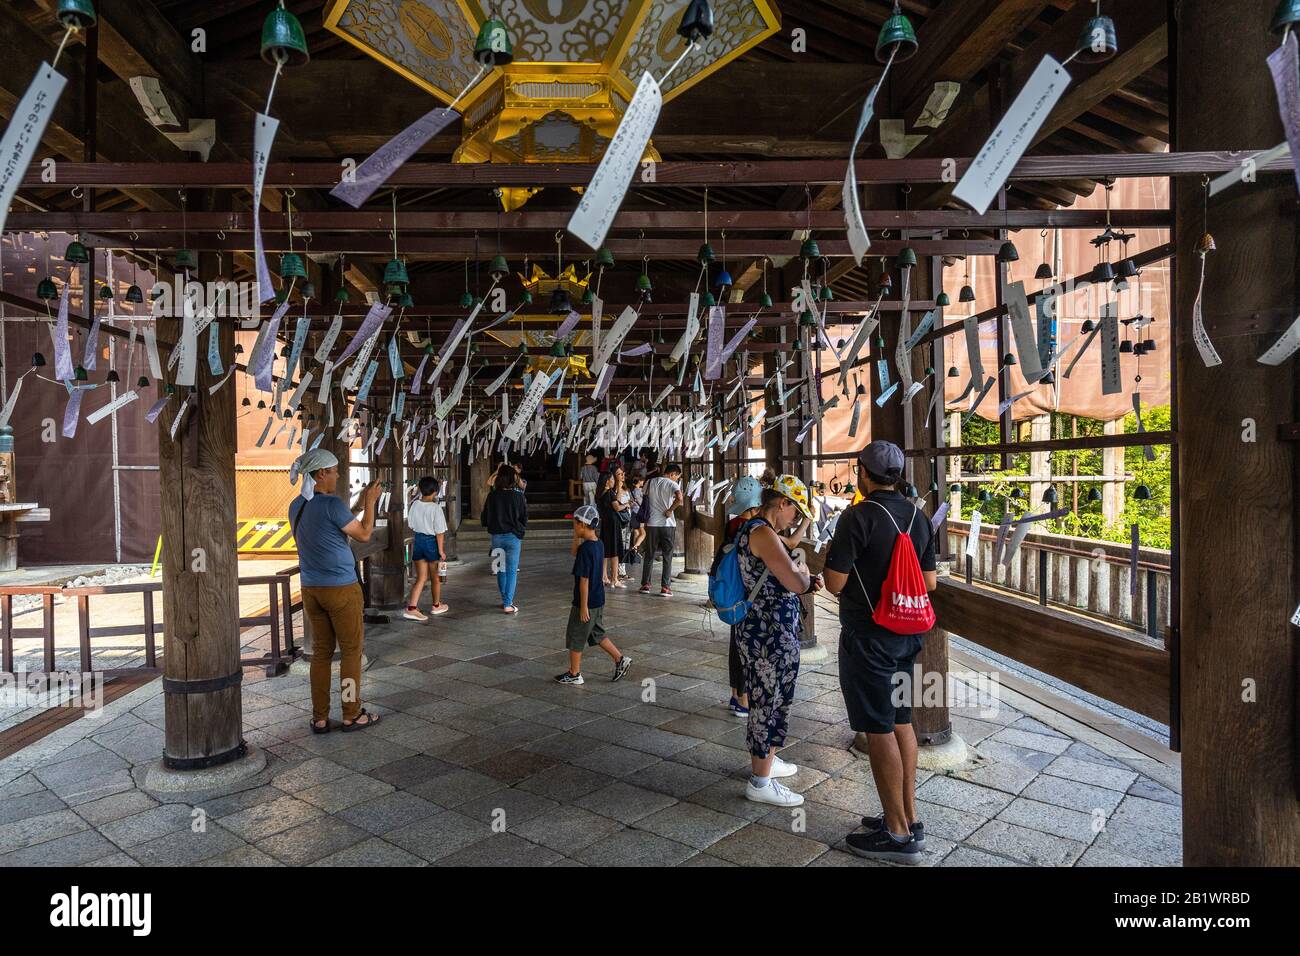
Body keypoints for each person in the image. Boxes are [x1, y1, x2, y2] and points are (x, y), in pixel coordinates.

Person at [823, 440, 937, 865]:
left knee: (877, 728)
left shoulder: (857, 517)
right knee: (902, 720)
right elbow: (930, 584)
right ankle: (909, 815)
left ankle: (896, 834)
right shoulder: (919, 517)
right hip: (908, 636)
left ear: (863, 473)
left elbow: (834, 583)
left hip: (868, 636)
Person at [734, 475, 821, 806]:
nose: (794, 521)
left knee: (773, 697)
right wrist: (803, 576)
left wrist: (800, 573)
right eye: (795, 513)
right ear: (782, 503)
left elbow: (792, 571)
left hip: (765, 630)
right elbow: (796, 582)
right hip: (767, 635)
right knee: (768, 701)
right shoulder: (763, 534)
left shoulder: (756, 529)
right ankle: (759, 781)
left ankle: (767, 761)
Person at [289, 449, 383, 734]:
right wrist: (370, 503)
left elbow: (333, 524)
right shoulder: (331, 504)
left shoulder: (297, 505)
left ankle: (319, 717)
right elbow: (364, 533)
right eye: (334, 471)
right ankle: (351, 713)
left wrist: (355, 505)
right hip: (341, 588)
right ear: (321, 475)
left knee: (321, 653)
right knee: (352, 651)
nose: (338, 475)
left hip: (311, 589)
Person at [555, 505, 632, 685]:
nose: (573, 526)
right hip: (598, 599)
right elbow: (574, 552)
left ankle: (575, 673)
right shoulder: (598, 544)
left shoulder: (586, 550)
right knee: (597, 634)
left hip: (586, 602)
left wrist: (583, 606)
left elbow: (584, 580)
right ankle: (620, 660)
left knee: (576, 636)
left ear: (582, 524)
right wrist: (576, 536)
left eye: (574, 524)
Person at [721, 475, 763, 718]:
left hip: (733, 592)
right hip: (747, 594)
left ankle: (735, 694)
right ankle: (743, 699)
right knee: (744, 647)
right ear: (756, 505)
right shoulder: (753, 529)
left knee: (735, 644)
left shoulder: (732, 524)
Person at [482, 464, 527, 614]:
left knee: (501, 569)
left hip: (497, 538)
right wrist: (519, 529)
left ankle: (505, 600)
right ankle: (508, 603)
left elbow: (485, 517)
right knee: (512, 570)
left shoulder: (492, 496)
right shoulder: (518, 496)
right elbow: (524, 518)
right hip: (513, 537)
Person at [404, 475, 448, 621]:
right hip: (431, 543)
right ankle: (436, 605)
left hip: (418, 541)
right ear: (435, 491)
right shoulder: (436, 508)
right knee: (435, 577)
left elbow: (410, 524)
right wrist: (441, 551)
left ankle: (412, 608)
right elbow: (439, 532)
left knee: (421, 577)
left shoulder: (415, 504)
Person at [639, 462, 683, 597]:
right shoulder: (672, 484)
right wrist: (670, 510)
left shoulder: (650, 482)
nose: (677, 479)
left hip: (652, 524)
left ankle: (645, 585)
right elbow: (680, 499)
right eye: (677, 477)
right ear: (672, 474)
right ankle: (665, 587)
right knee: (667, 556)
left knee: (649, 554)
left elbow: (644, 498)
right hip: (668, 524)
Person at [596, 469, 628, 587]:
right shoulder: (610, 493)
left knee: (606, 551)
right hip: (613, 523)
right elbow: (617, 507)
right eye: (612, 479)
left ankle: (604, 577)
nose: (614, 481)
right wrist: (626, 505)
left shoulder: (599, 494)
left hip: (605, 523)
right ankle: (615, 579)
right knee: (615, 552)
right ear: (607, 481)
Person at [626, 476, 646, 570]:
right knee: (643, 533)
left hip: (633, 514)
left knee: (637, 533)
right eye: (642, 480)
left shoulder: (631, 491)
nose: (643, 482)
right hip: (638, 514)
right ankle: (635, 547)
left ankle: (635, 552)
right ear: (639, 481)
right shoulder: (638, 491)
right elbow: (641, 503)